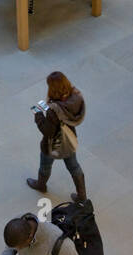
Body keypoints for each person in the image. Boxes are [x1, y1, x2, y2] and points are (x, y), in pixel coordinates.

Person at [26, 71, 87, 200]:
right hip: (69, 140)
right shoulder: (76, 98)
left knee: (45, 165)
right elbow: (64, 114)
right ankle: (82, 196)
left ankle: (41, 185)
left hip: (52, 145)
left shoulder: (54, 111)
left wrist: (38, 115)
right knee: (74, 166)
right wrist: (50, 107)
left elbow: (48, 131)